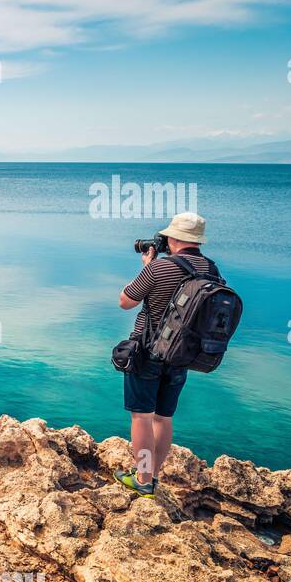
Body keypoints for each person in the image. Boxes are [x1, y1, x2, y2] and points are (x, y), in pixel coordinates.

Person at [114, 211, 215, 499]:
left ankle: (142, 480)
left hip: (148, 352)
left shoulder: (160, 268)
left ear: (173, 238)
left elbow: (125, 301)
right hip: (182, 356)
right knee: (163, 418)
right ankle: (153, 476)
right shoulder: (211, 270)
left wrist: (147, 268)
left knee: (142, 417)